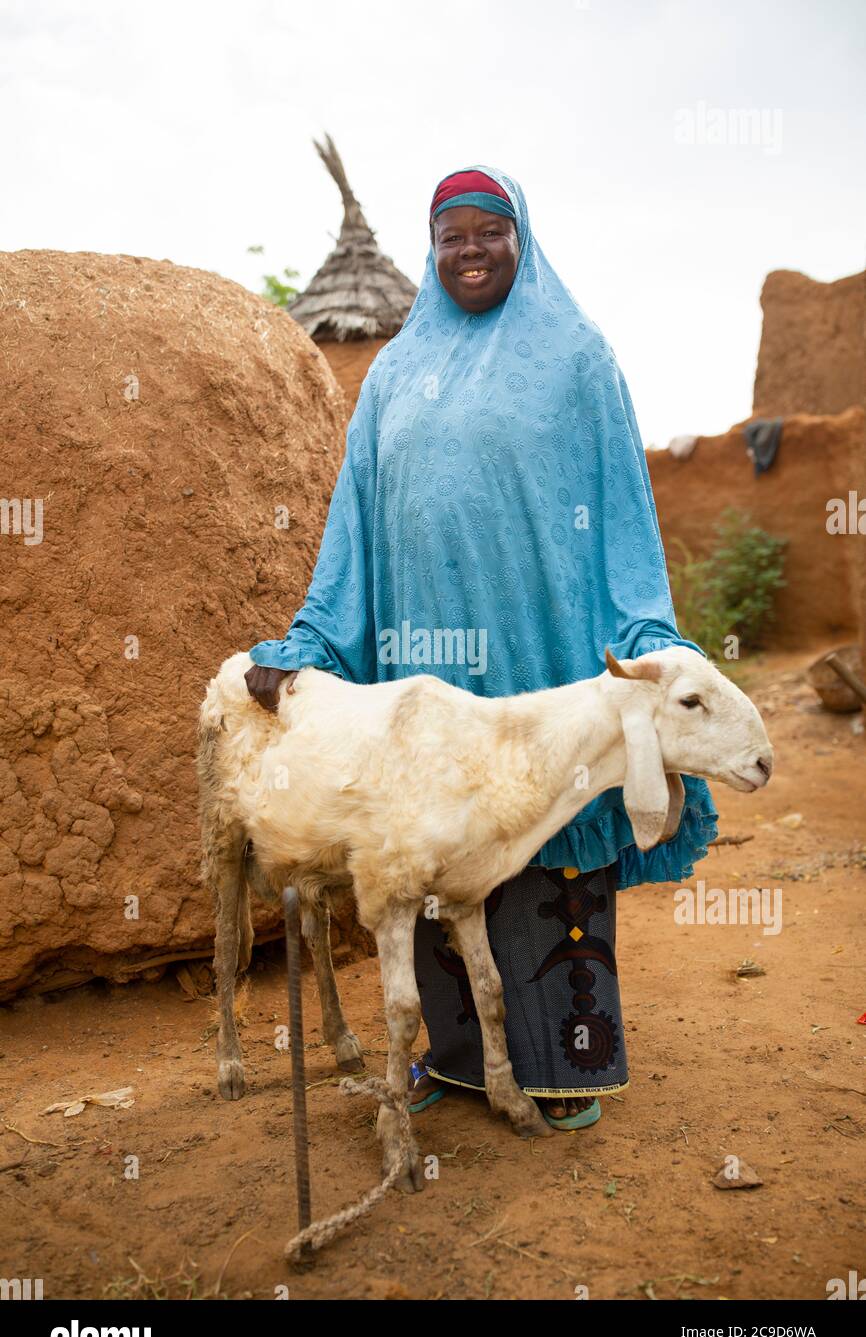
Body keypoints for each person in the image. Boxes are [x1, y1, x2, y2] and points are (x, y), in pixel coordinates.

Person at [245, 165, 717, 1130]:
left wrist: (646, 635)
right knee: (428, 855)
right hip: (419, 668)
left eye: (487, 233)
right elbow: (355, 524)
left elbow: (624, 508)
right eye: (450, 235)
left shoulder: (576, 361)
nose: (469, 251)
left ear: (521, 239)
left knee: (538, 843)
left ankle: (566, 1066)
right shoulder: (393, 376)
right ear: (431, 248)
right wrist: (315, 639)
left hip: (540, 656)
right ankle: (457, 1058)